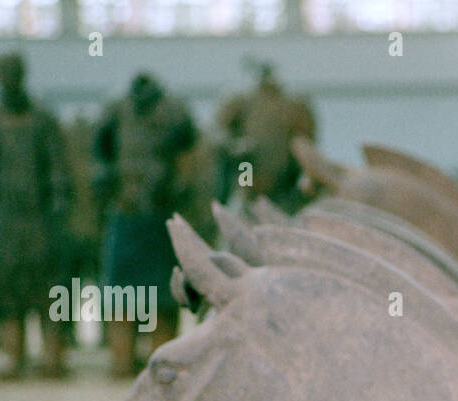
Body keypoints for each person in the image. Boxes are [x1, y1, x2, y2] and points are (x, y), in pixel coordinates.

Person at [0, 53, 71, 379]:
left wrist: (59, 198)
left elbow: (58, 163)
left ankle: (53, 357)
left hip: (41, 216)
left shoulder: (43, 119)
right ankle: (14, 357)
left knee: (50, 286)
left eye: (14, 72)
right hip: (7, 217)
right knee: (5, 288)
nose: (9, 78)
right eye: (4, 73)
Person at [93, 72, 196, 377]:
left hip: (160, 217)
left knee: (163, 299)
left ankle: (161, 365)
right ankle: (121, 363)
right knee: (120, 299)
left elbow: (188, 152)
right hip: (125, 215)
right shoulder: (115, 109)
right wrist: (108, 186)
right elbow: (100, 152)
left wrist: (179, 187)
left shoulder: (175, 110)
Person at [215, 63, 315, 215]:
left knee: (284, 219)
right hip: (247, 169)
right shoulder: (240, 100)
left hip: (283, 181)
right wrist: (235, 145)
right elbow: (218, 132)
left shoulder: (294, 103)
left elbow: (308, 141)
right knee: (243, 209)